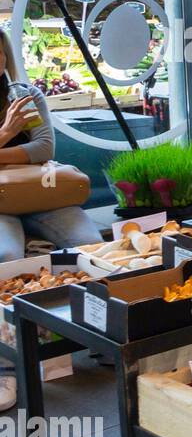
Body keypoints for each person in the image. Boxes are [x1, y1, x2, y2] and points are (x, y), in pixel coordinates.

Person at [0, 29, 103, 410]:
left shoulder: (24, 94)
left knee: (90, 248)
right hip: (0, 205)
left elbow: (45, 147)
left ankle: (103, 337)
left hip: (43, 195)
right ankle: (7, 370)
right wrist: (8, 134)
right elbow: (31, 148)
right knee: (7, 260)